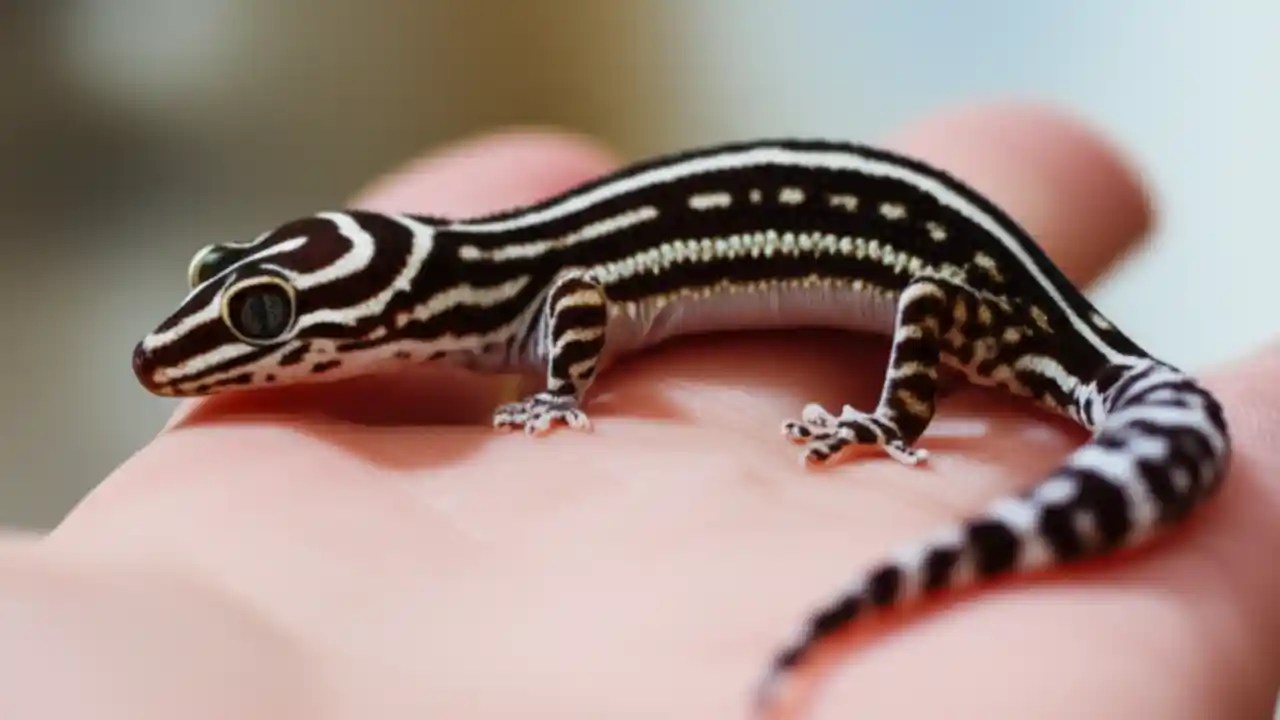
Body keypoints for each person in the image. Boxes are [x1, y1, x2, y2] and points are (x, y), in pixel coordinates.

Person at [4, 104, 1277, 718]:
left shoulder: (539, 292)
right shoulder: (508, 285)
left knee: (932, 312)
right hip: (951, 269)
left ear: (379, 305)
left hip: (984, 299)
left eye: (267, 321)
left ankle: (906, 462)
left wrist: (889, 428)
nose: (214, 352)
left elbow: (580, 315)